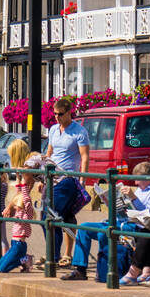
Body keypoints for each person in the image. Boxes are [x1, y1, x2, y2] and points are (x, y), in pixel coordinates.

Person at [62, 162, 150, 282]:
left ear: (147, 178)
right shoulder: (139, 190)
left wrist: (133, 198)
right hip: (122, 221)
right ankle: (80, 270)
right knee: (84, 228)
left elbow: (148, 215)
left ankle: (106, 272)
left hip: (136, 226)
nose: (135, 183)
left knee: (104, 232)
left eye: (137, 179)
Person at [43, 97, 90, 267]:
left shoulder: (79, 131)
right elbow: (50, 152)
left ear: (69, 112)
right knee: (62, 216)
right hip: (52, 178)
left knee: (54, 215)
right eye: (55, 114)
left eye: (60, 114)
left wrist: (82, 180)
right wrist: (42, 175)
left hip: (68, 179)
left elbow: (84, 157)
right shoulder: (53, 130)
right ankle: (60, 254)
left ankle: (58, 255)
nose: (57, 117)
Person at [0, 158, 40, 272]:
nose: (14, 207)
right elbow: (18, 192)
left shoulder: (27, 211)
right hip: (14, 242)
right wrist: (18, 176)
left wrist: (24, 178)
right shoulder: (19, 210)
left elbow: (25, 196)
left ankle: (24, 259)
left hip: (20, 245)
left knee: (3, 269)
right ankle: (23, 259)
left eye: (17, 206)